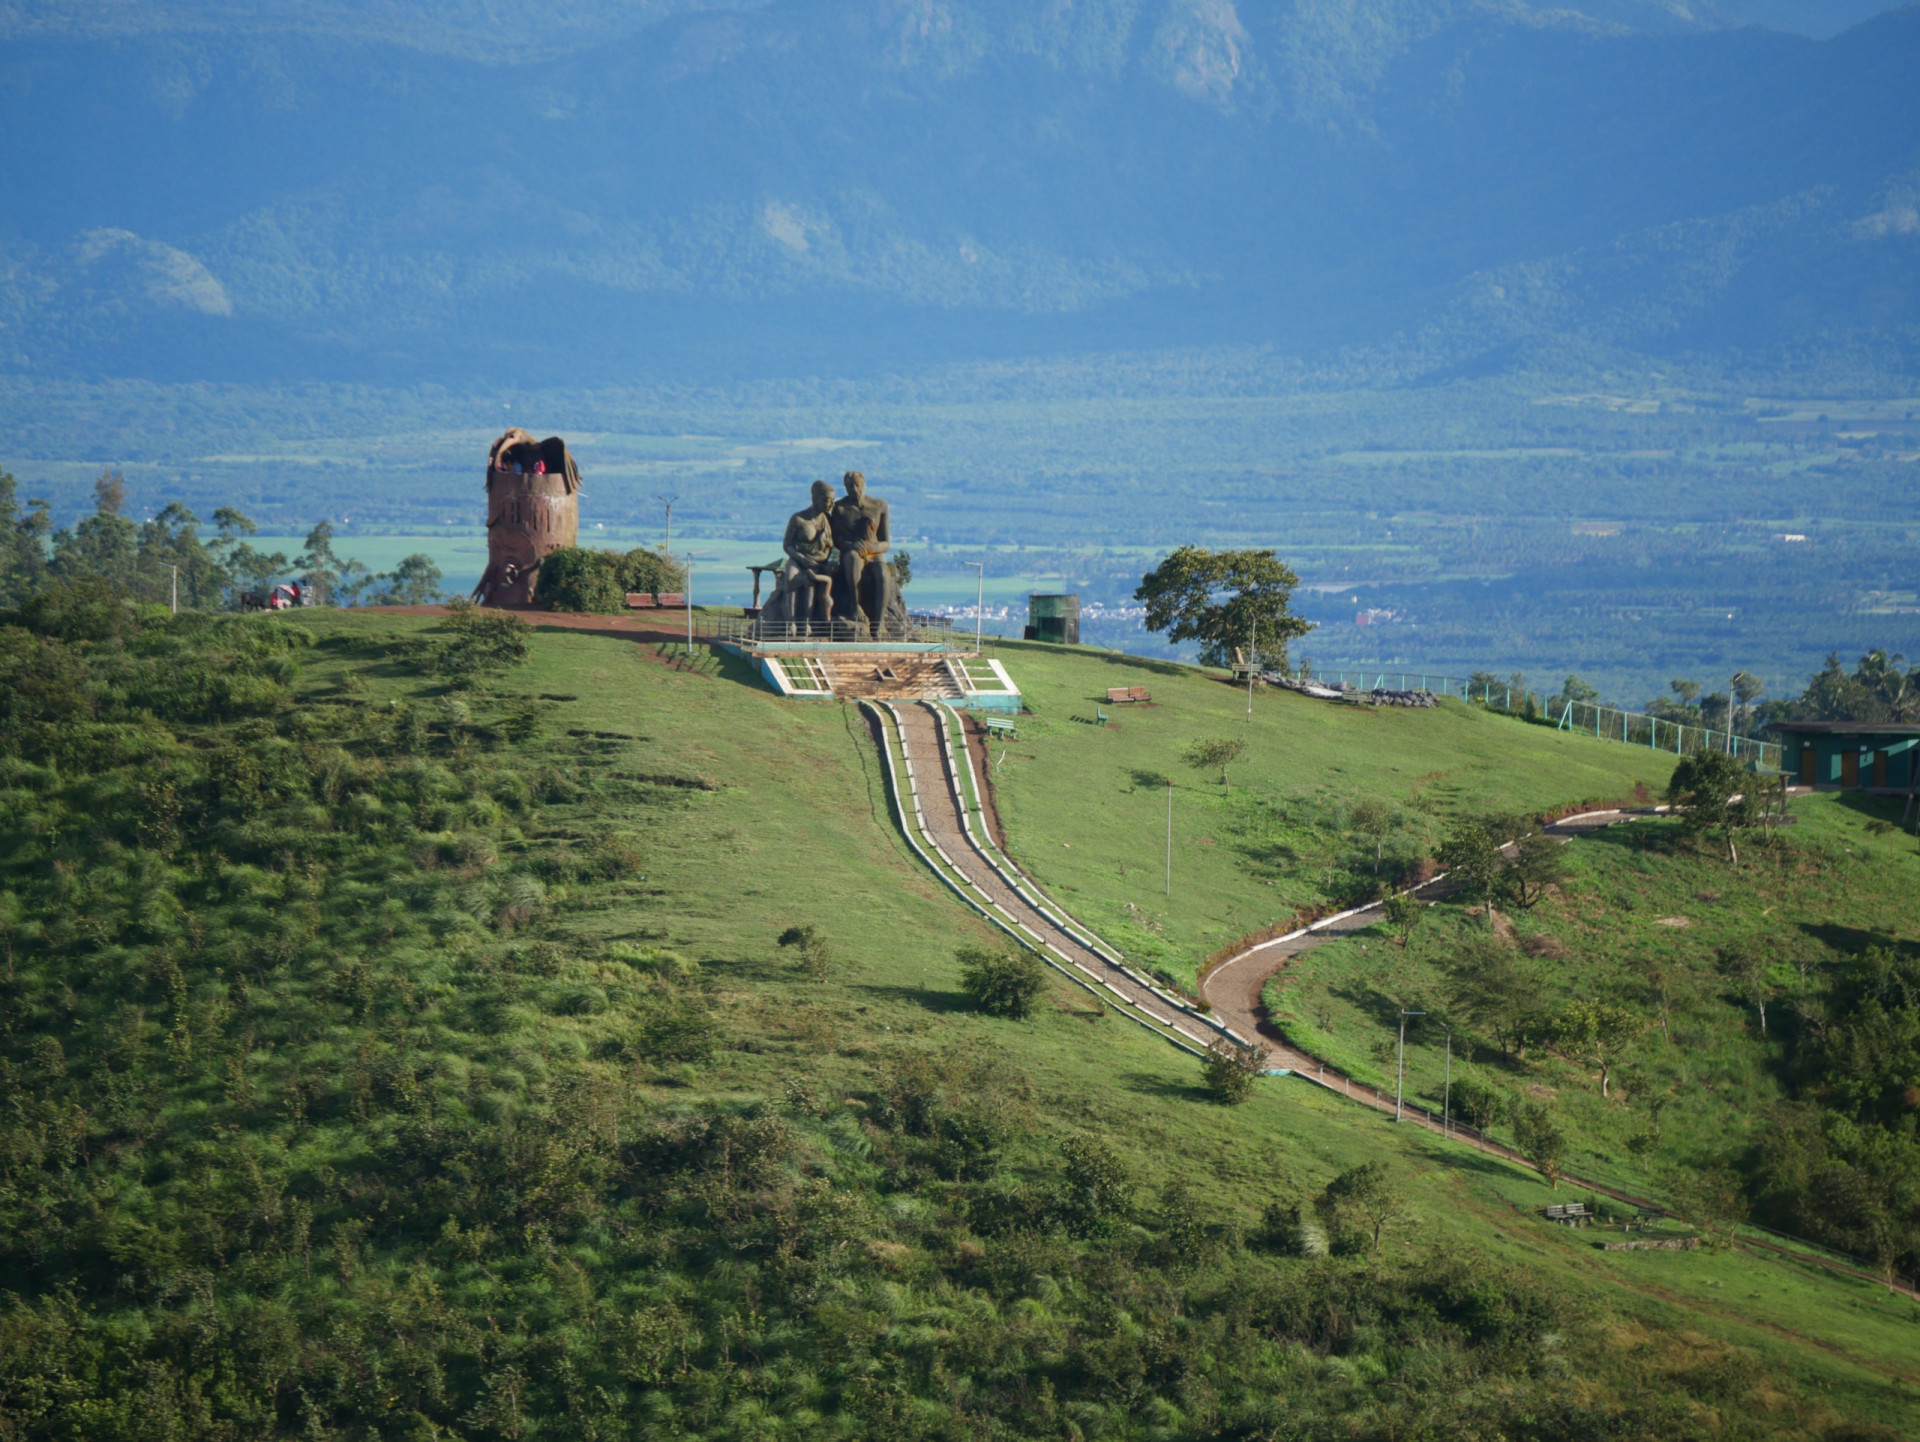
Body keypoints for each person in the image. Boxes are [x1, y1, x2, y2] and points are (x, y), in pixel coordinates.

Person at [829, 471, 892, 637]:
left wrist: (872, 547)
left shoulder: (879, 505)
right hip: (851, 551)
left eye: (857, 484)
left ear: (864, 484)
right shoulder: (839, 508)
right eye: (850, 486)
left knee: (884, 574)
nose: (854, 489)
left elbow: (886, 542)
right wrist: (850, 545)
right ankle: (854, 604)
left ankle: (879, 623)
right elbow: (836, 538)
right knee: (852, 559)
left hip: (873, 552)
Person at [768, 480, 835, 630]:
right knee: (791, 577)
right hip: (798, 560)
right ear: (815, 498)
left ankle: (806, 623)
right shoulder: (798, 519)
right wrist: (802, 559)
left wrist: (821, 562)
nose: (830, 504)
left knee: (810, 582)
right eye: (827, 500)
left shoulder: (829, 522)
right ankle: (790, 622)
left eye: (832, 501)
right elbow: (787, 545)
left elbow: (831, 547)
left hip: (819, 563)